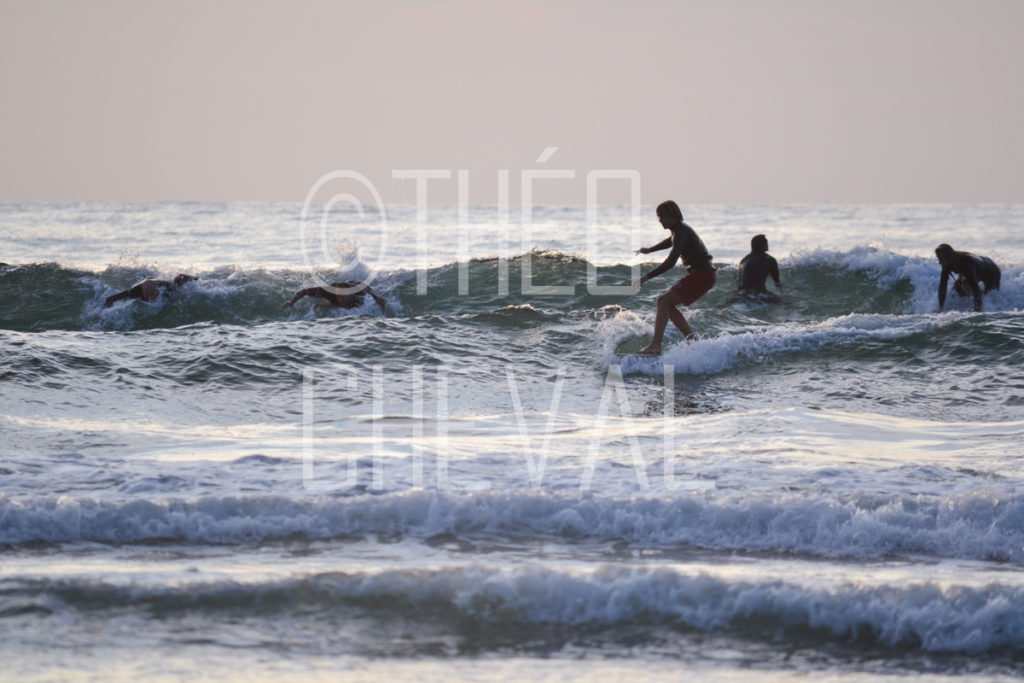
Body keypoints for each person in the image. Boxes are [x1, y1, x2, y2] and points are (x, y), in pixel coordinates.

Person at [632, 200, 716, 355]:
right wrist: (650, 250)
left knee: (663, 301)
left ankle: (656, 345)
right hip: (705, 275)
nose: (659, 220)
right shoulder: (679, 231)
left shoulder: (681, 232)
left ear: (672, 216)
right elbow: (670, 241)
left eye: (661, 216)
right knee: (667, 306)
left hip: (702, 275)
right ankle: (692, 342)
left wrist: (646, 277)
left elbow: (671, 262)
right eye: (658, 217)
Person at [934, 243, 1000, 312]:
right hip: (978, 266)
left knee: (987, 293)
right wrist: (940, 307)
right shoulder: (946, 263)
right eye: (938, 259)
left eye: (941, 259)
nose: (939, 262)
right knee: (958, 287)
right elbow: (943, 285)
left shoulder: (965, 264)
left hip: (992, 271)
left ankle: (988, 310)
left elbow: (975, 289)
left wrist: (977, 312)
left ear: (949, 257)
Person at [282, 279, 386, 312]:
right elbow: (305, 291)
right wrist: (292, 302)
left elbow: (380, 301)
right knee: (317, 306)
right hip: (341, 285)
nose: (342, 299)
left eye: (344, 297)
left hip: (358, 285)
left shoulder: (358, 292)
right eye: (339, 296)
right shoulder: (328, 292)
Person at [104, 274, 197, 308]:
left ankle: (196, 278)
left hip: (151, 283)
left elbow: (179, 278)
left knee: (175, 285)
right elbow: (111, 299)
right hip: (148, 284)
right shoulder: (135, 292)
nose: (152, 297)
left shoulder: (167, 287)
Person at [737, 234, 781, 301]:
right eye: (766, 243)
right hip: (759, 293)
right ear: (764, 245)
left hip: (742, 293)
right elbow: (776, 281)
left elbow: (739, 280)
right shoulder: (769, 259)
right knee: (783, 303)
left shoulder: (744, 260)